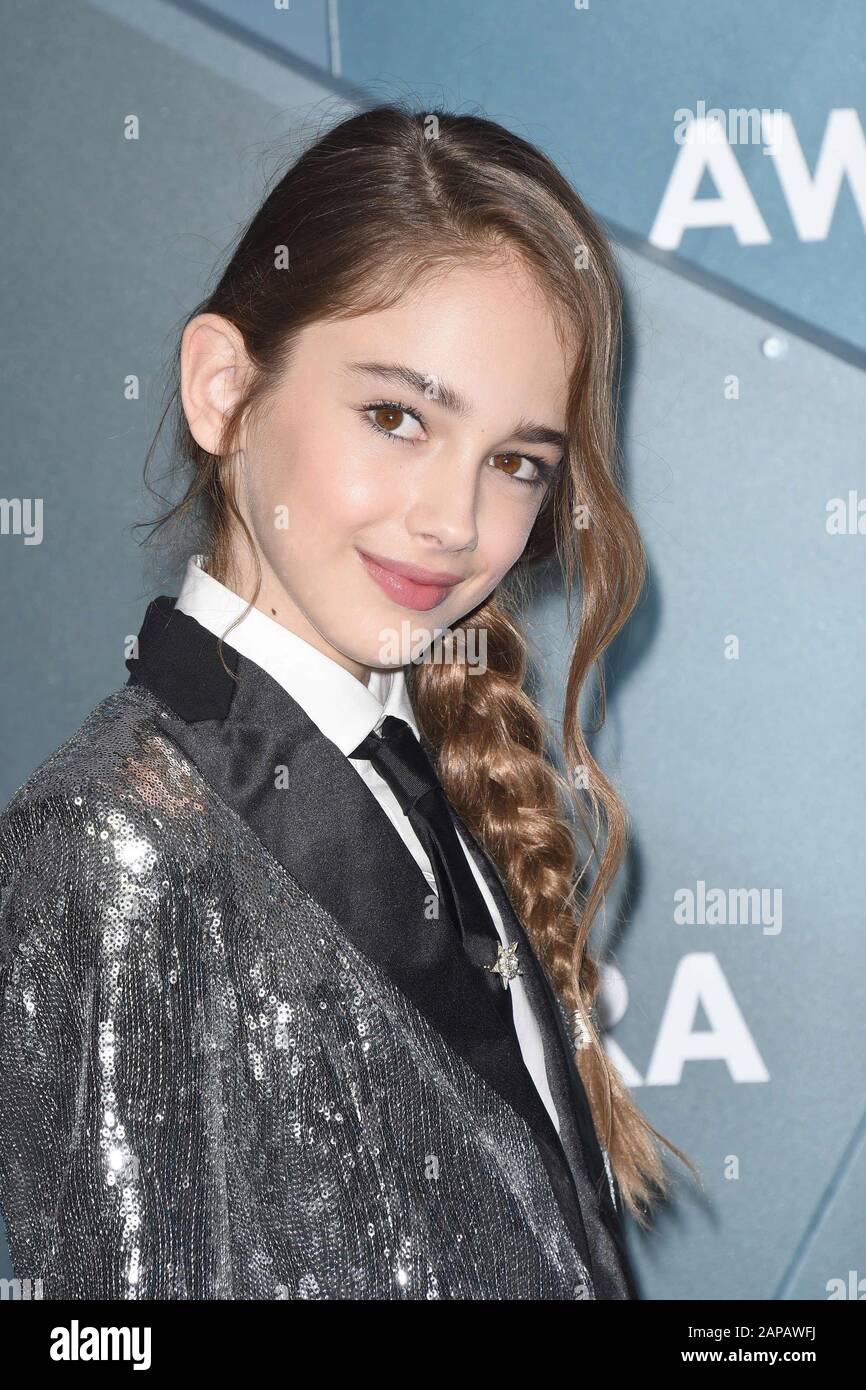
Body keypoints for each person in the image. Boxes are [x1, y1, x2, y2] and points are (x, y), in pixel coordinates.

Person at [0, 103, 694, 1300]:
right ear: (223, 388)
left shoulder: (439, 777)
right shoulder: (112, 841)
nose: (454, 520)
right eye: (396, 417)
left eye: (515, 461)